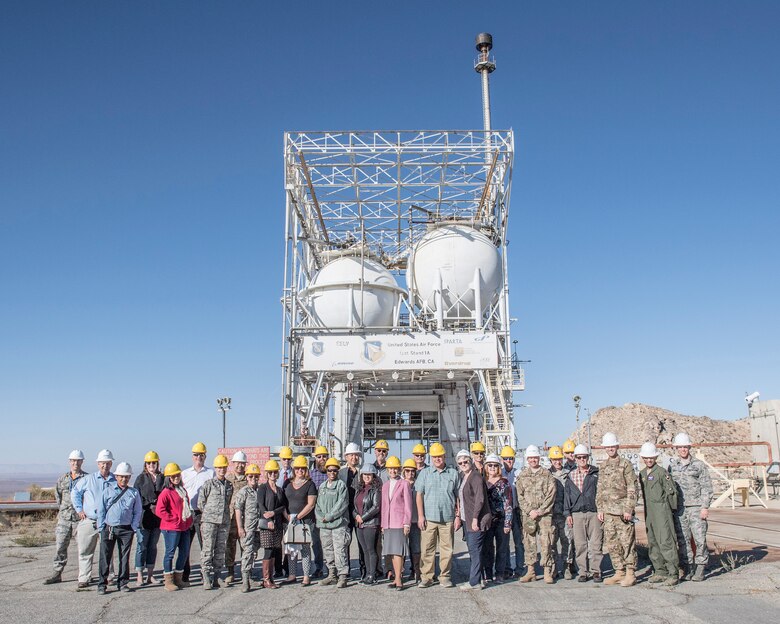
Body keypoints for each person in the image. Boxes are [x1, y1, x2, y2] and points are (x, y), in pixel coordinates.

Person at [668, 432, 713, 582]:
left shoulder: (698, 465)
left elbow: (706, 487)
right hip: (679, 509)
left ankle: (700, 567)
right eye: (680, 447)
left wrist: (705, 507)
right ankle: (688, 567)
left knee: (700, 539)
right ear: (676, 448)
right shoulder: (672, 466)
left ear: (689, 447)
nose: (683, 449)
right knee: (683, 540)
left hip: (696, 507)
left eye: (685, 447)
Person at [596, 432, 638, 587]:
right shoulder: (603, 466)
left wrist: (629, 509)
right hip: (608, 513)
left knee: (627, 542)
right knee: (612, 543)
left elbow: (632, 488)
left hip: (622, 512)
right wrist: (600, 508)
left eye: (612, 446)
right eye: (608, 447)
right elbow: (599, 489)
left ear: (617, 446)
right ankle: (619, 571)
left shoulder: (625, 464)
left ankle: (630, 572)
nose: (610, 449)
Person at [415, 442, 459, 589]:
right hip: (429, 518)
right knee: (427, 549)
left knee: (447, 550)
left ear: (444, 456)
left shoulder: (453, 473)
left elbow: (458, 496)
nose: (437, 459)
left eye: (439, 456)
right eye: (434, 457)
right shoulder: (425, 473)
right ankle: (426, 577)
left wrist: (458, 516)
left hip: (447, 518)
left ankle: (445, 577)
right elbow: (419, 495)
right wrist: (421, 516)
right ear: (431, 458)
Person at [71, 449, 116, 589]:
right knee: (85, 550)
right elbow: (75, 493)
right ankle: (84, 577)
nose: (105, 466)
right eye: (102, 463)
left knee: (108, 550)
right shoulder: (88, 479)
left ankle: (108, 576)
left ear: (111, 464)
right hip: (90, 520)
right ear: (98, 464)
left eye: (108, 463)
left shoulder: (115, 480)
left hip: (108, 522)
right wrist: (79, 509)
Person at [96, 462, 142, 594]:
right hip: (109, 528)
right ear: (116, 476)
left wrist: (133, 527)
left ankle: (123, 583)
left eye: (126, 477)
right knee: (105, 556)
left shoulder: (133, 493)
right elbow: (101, 510)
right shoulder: (108, 491)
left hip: (126, 529)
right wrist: (101, 527)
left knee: (124, 556)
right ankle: (102, 584)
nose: (124, 479)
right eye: (121, 476)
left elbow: (137, 511)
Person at [44, 449, 87, 585]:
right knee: (60, 547)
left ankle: (84, 576)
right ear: (70, 462)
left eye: (78, 460)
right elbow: (58, 497)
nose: (75, 463)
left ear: (82, 462)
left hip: (80, 520)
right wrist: (64, 511)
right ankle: (57, 573)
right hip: (64, 519)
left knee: (83, 549)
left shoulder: (87, 479)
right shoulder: (63, 479)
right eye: (73, 461)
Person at [639, 442, 679, 585]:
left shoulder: (662, 473)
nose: (649, 460)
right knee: (653, 541)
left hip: (662, 510)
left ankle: (673, 572)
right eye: (646, 458)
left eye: (651, 458)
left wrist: (670, 510)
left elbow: (671, 493)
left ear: (656, 457)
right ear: (643, 458)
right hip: (649, 511)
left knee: (666, 541)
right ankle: (659, 571)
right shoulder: (642, 474)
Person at [516, 445, 556, 584]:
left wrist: (540, 511)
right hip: (529, 516)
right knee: (529, 543)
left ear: (539, 458)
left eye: (535, 457)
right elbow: (520, 496)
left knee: (546, 542)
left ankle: (547, 571)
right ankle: (531, 571)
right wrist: (529, 511)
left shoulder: (547, 475)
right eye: (530, 458)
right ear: (527, 459)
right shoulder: (522, 475)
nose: (533, 460)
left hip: (544, 515)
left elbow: (551, 495)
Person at [563, 444, 603, 583]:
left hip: (594, 513)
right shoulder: (570, 476)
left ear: (588, 457)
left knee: (595, 544)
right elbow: (566, 497)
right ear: (575, 458)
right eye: (579, 457)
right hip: (577, 514)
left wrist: (601, 509)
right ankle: (583, 572)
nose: (582, 459)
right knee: (580, 545)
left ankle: (596, 571)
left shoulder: (596, 473)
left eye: (584, 457)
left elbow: (602, 493)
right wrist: (567, 513)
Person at [456, 450, 492, 591]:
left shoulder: (475, 476)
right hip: (468, 519)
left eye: (466, 461)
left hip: (475, 519)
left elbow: (480, 499)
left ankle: (474, 582)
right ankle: (480, 579)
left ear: (471, 461)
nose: (463, 464)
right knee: (476, 551)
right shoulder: (465, 476)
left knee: (475, 551)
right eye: (460, 463)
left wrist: (475, 518)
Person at [155, 462, 193, 591]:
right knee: (170, 553)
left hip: (184, 527)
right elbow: (160, 510)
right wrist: (175, 519)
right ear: (168, 478)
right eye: (173, 476)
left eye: (177, 475)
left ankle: (178, 578)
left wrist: (188, 520)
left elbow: (186, 507)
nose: (176, 477)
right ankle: (168, 581)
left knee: (184, 552)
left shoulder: (182, 490)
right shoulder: (166, 492)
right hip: (171, 528)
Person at [181, 442, 215, 584]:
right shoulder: (184, 474)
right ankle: (185, 575)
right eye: (196, 455)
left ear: (205, 456)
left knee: (205, 546)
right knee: (185, 546)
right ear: (192, 456)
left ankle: (205, 573)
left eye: (201, 455)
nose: (198, 457)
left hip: (203, 514)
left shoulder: (211, 473)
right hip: (188, 513)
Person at [198, 454, 233, 589]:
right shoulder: (209, 484)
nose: (221, 470)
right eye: (219, 468)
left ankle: (217, 576)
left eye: (223, 467)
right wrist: (210, 514)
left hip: (224, 522)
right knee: (207, 549)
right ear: (215, 468)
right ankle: (206, 577)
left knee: (220, 550)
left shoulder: (229, 485)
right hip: (209, 522)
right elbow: (201, 503)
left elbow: (228, 502)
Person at [316, 457, 350, 588]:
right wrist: (320, 516)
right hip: (324, 525)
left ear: (338, 471)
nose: (332, 473)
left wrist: (329, 516)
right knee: (328, 550)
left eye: (334, 471)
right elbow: (318, 504)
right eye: (329, 470)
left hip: (338, 524)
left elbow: (342, 504)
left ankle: (342, 576)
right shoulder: (322, 486)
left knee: (339, 550)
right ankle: (332, 575)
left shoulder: (341, 486)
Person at [284, 455, 317, 585]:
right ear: (294, 469)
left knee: (305, 549)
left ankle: (306, 576)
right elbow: (282, 501)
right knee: (291, 550)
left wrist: (298, 517)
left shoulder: (310, 484)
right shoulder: (288, 484)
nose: (300, 471)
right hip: (289, 520)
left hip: (304, 521)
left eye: (302, 468)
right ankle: (292, 575)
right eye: (297, 468)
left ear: (306, 469)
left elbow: (311, 504)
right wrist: (286, 515)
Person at [381, 456, 413, 591]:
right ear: (387, 470)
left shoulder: (404, 484)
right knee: (391, 552)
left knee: (399, 552)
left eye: (395, 468)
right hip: (388, 523)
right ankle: (395, 577)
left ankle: (399, 579)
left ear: (399, 469)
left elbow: (408, 505)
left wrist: (407, 523)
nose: (393, 471)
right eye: (390, 468)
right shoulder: (385, 485)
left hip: (399, 522)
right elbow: (383, 505)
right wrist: (383, 524)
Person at [133, 450, 164, 586]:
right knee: (142, 547)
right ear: (145, 464)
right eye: (149, 463)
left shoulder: (163, 478)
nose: (152, 465)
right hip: (143, 518)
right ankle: (139, 575)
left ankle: (150, 575)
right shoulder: (140, 479)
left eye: (154, 462)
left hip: (157, 519)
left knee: (153, 546)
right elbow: (136, 498)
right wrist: (149, 505)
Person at [257, 459, 287, 589]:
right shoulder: (263, 488)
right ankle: (266, 579)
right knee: (268, 551)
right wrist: (268, 519)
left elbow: (283, 506)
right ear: (267, 474)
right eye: (270, 472)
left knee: (275, 550)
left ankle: (272, 577)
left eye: (275, 472)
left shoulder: (280, 490)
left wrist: (274, 513)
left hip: (278, 524)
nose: (273, 474)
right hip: (267, 525)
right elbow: (261, 505)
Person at [483, 453, 512, 583]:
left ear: (499, 467)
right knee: (488, 548)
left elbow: (508, 504)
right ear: (486, 467)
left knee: (502, 548)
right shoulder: (482, 482)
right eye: (490, 465)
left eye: (495, 465)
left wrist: (507, 523)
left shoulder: (504, 483)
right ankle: (488, 574)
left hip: (501, 520)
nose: (492, 468)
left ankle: (500, 574)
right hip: (487, 521)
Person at [233, 463, 261, 592]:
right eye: (250, 476)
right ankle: (245, 580)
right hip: (248, 527)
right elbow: (238, 510)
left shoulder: (261, 490)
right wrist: (240, 527)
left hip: (259, 528)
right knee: (247, 552)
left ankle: (250, 576)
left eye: (256, 476)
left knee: (254, 552)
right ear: (247, 477)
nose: (253, 479)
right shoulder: (243, 492)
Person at [338, 442, 363, 578]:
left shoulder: (363, 472)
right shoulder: (341, 472)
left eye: (356, 455)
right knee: (345, 542)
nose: (354, 457)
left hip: (359, 512)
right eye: (351, 455)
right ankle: (345, 571)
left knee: (362, 543)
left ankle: (363, 570)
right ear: (346, 456)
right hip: (345, 512)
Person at [354, 463, 381, 584]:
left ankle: (372, 575)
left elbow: (376, 507)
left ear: (373, 476)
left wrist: (363, 518)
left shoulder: (375, 490)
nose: (366, 476)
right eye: (364, 474)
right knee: (364, 550)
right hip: (360, 524)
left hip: (370, 524)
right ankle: (367, 575)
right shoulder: (359, 489)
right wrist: (356, 516)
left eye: (369, 474)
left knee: (371, 550)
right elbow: (354, 506)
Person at [548, 445, 573, 579]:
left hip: (564, 514)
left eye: (559, 459)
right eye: (554, 459)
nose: (557, 462)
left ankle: (567, 567)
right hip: (551, 515)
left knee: (567, 541)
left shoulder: (568, 474)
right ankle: (553, 568)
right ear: (551, 460)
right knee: (551, 542)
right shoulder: (547, 474)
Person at [500, 445, 524, 578]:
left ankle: (520, 568)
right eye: (506, 458)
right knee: (505, 543)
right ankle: (507, 568)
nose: (509, 460)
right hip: (504, 514)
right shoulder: (499, 473)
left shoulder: (519, 474)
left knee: (519, 542)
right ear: (502, 459)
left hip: (516, 511)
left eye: (511, 458)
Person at [225, 450, 248, 584]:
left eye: (242, 463)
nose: (240, 466)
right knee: (230, 547)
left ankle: (246, 572)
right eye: (237, 463)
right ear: (233, 463)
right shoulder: (228, 480)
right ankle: (230, 572)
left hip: (245, 520)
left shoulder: (249, 479)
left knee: (245, 547)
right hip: (230, 519)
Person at [308, 445, 330, 577]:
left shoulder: (332, 472)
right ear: (315, 458)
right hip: (315, 516)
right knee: (316, 543)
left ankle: (331, 568)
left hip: (329, 515)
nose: (322, 459)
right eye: (319, 456)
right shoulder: (310, 475)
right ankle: (318, 567)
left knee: (328, 543)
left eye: (324, 456)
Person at [274, 446, 294, 578]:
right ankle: (277, 569)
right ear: (280, 459)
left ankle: (287, 567)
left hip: (289, 512)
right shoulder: (276, 473)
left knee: (288, 541)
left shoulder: (296, 473)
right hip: (277, 512)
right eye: (284, 459)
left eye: (288, 459)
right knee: (277, 542)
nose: (286, 461)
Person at [402, 458, 422, 583]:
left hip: (415, 521)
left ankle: (416, 571)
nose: (410, 473)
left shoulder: (419, 485)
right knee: (402, 547)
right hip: (402, 521)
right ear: (404, 472)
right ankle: (400, 572)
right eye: (408, 471)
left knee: (415, 547)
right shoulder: (400, 484)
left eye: (412, 471)